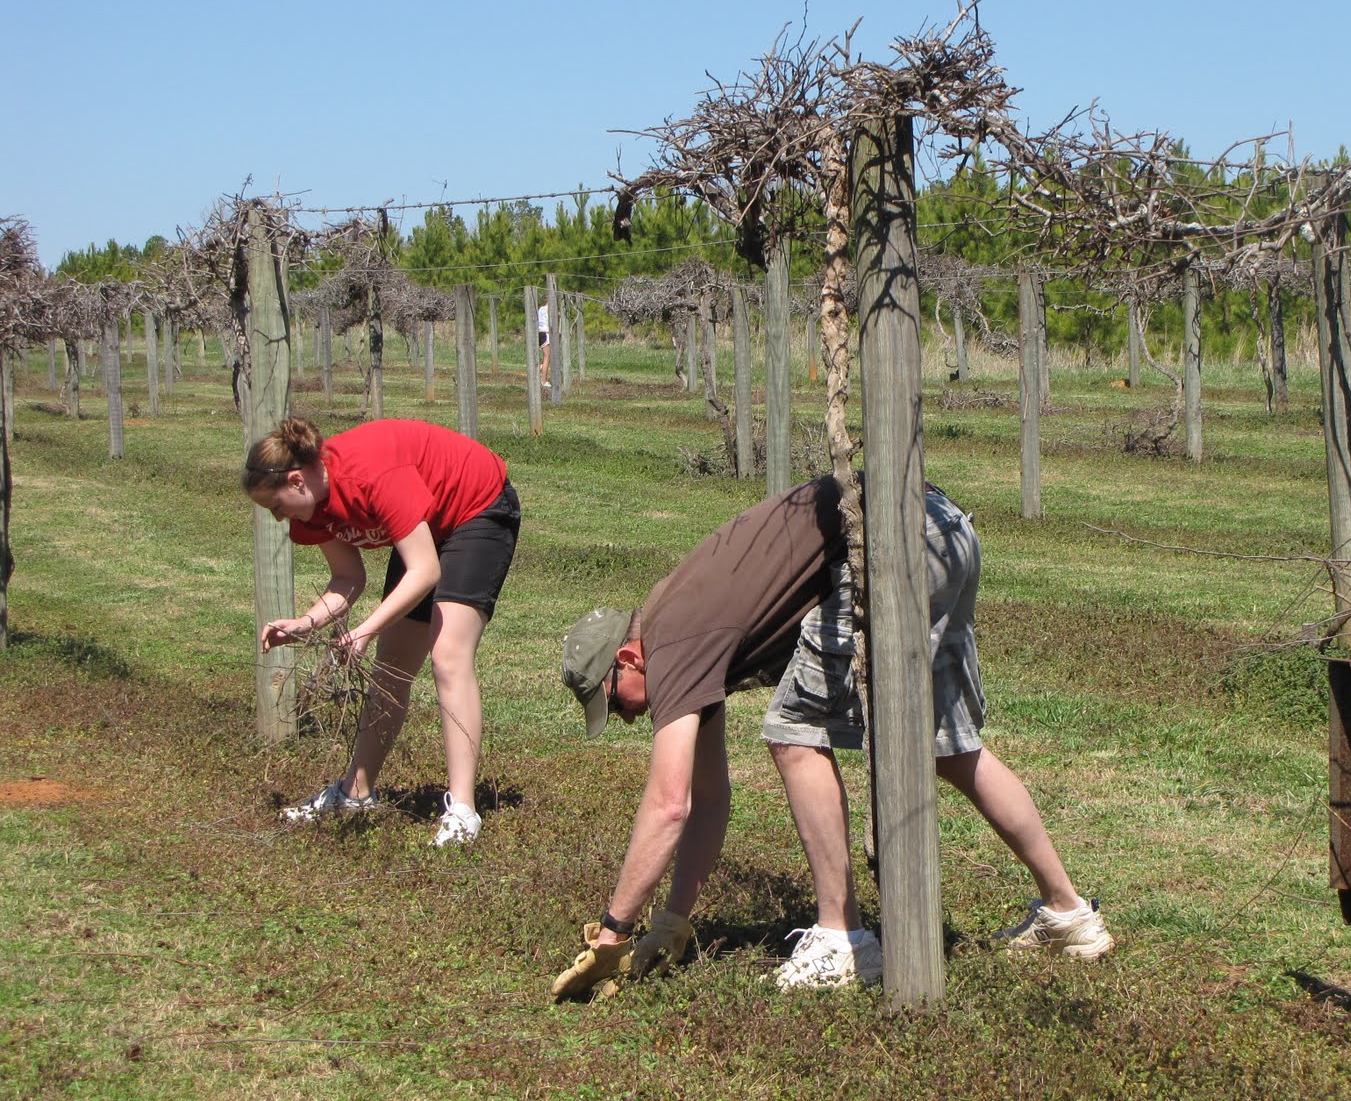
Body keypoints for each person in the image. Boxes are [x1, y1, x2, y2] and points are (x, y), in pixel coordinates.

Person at [550, 474, 1111, 998]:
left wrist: (614, 930)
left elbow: (670, 804)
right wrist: (671, 921)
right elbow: (709, 798)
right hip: (942, 528)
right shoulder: (677, 628)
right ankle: (1068, 914)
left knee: (794, 735)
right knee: (948, 747)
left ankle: (840, 936)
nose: (622, 717)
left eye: (613, 700)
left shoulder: (672, 646)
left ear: (627, 658)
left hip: (889, 541)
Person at [243, 416, 521, 846]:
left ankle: (464, 810)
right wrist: (304, 624)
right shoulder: (313, 510)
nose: (280, 519)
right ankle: (355, 794)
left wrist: (364, 630)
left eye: (277, 507)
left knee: (448, 654)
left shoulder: (368, 473)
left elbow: (425, 571)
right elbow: (348, 579)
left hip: (476, 507)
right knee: (391, 666)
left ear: (297, 481)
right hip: (428, 526)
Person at [536, 302, 551, 389]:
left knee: (546, 356)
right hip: (546, 333)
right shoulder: (549, 309)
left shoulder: (541, 309)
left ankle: (537, 371)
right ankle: (544, 380)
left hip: (540, 332)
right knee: (547, 357)